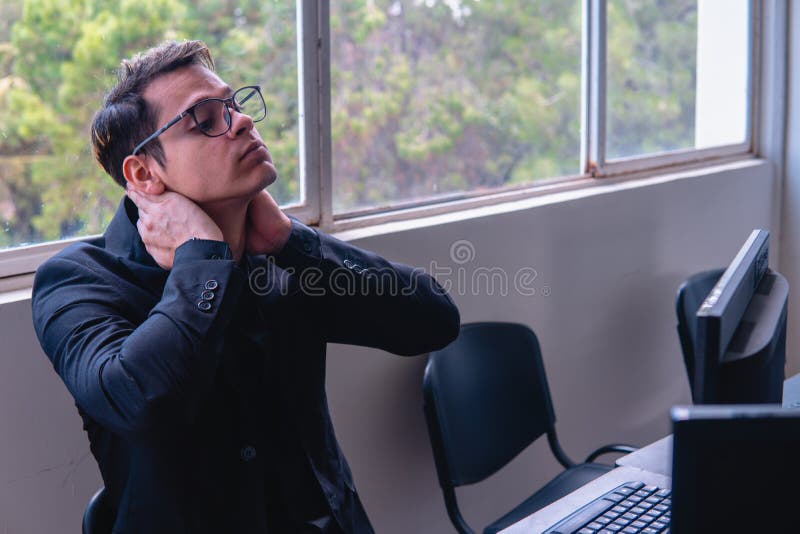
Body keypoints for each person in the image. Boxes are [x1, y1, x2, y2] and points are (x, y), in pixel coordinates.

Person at [31, 40, 459, 534]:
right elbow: (140, 406)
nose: (242, 122)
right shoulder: (79, 279)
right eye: (205, 119)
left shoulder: (280, 255)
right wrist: (203, 260)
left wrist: (293, 241)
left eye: (233, 105)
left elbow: (433, 321)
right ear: (144, 173)